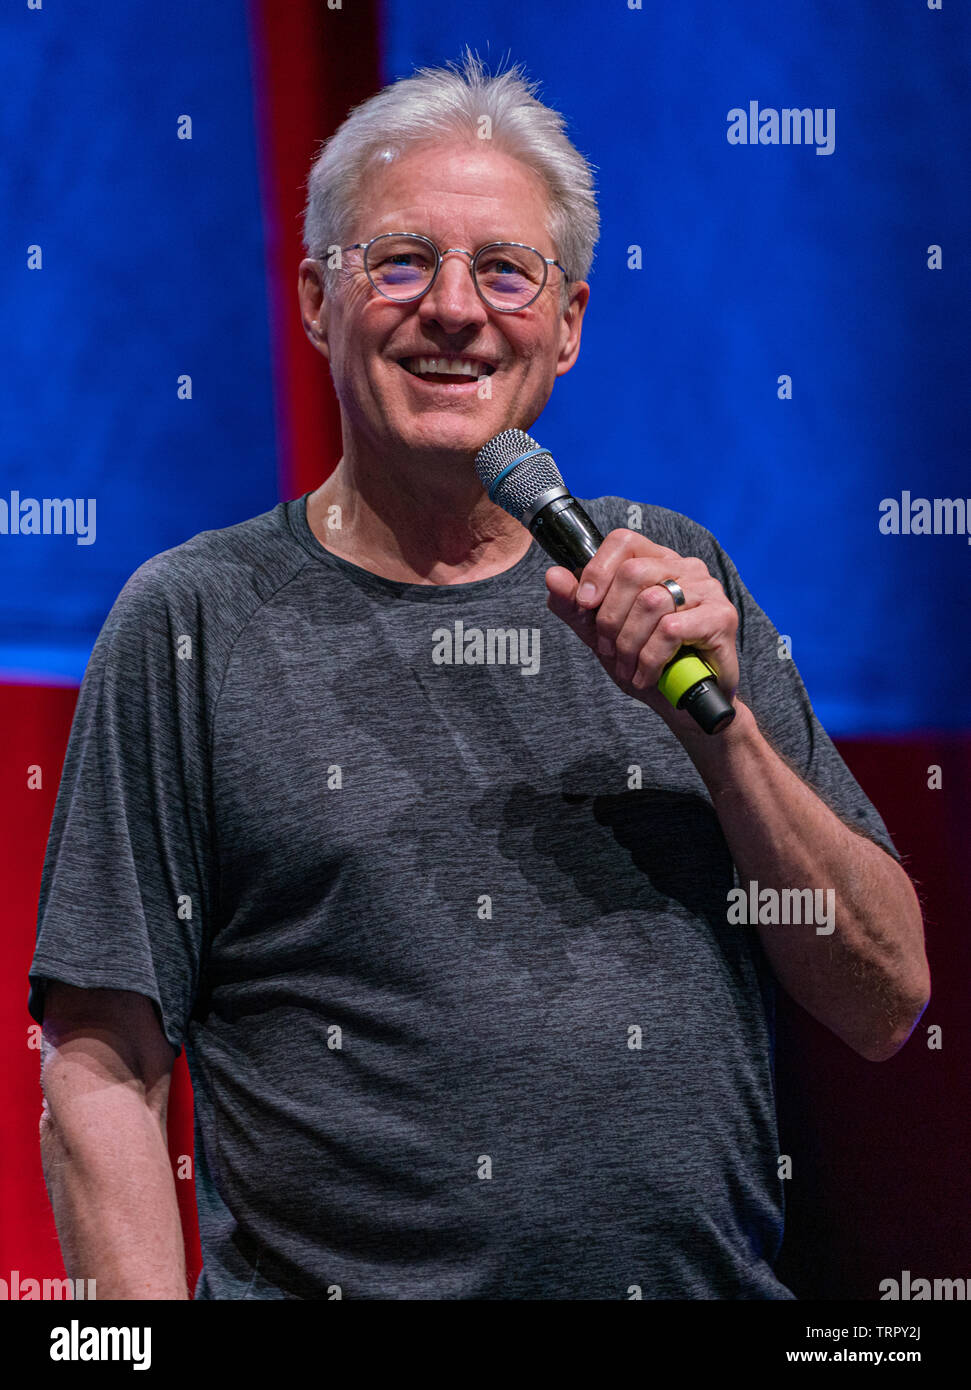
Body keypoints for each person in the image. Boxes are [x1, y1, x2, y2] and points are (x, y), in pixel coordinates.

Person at [29, 51, 929, 1301]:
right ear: (311, 299)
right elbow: (102, 1059)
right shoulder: (193, 619)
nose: (453, 308)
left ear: (565, 324)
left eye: (505, 271)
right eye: (399, 260)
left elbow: (884, 995)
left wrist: (718, 740)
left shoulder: (675, 577)